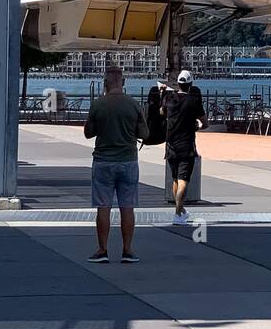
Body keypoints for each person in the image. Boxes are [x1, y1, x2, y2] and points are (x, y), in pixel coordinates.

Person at [83, 66, 147, 263]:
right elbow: (145, 134)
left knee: (103, 207)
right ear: (124, 82)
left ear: (104, 84)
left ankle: (102, 250)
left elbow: (88, 132)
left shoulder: (97, 104)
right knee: (127, 207)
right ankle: (127, 250)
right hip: (128, 161)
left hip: (103, 161)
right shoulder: (134, 104)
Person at [162, 69, 206, 225]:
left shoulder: (169, 99)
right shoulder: (194, 101)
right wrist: (197, 126)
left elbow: (162, 112)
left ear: (178, 84)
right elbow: (204, 122)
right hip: (186, 146)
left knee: (175, 180)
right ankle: (177, 215)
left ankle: (180, 210)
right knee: (183, 181)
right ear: (191, 84)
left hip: (171, 146)